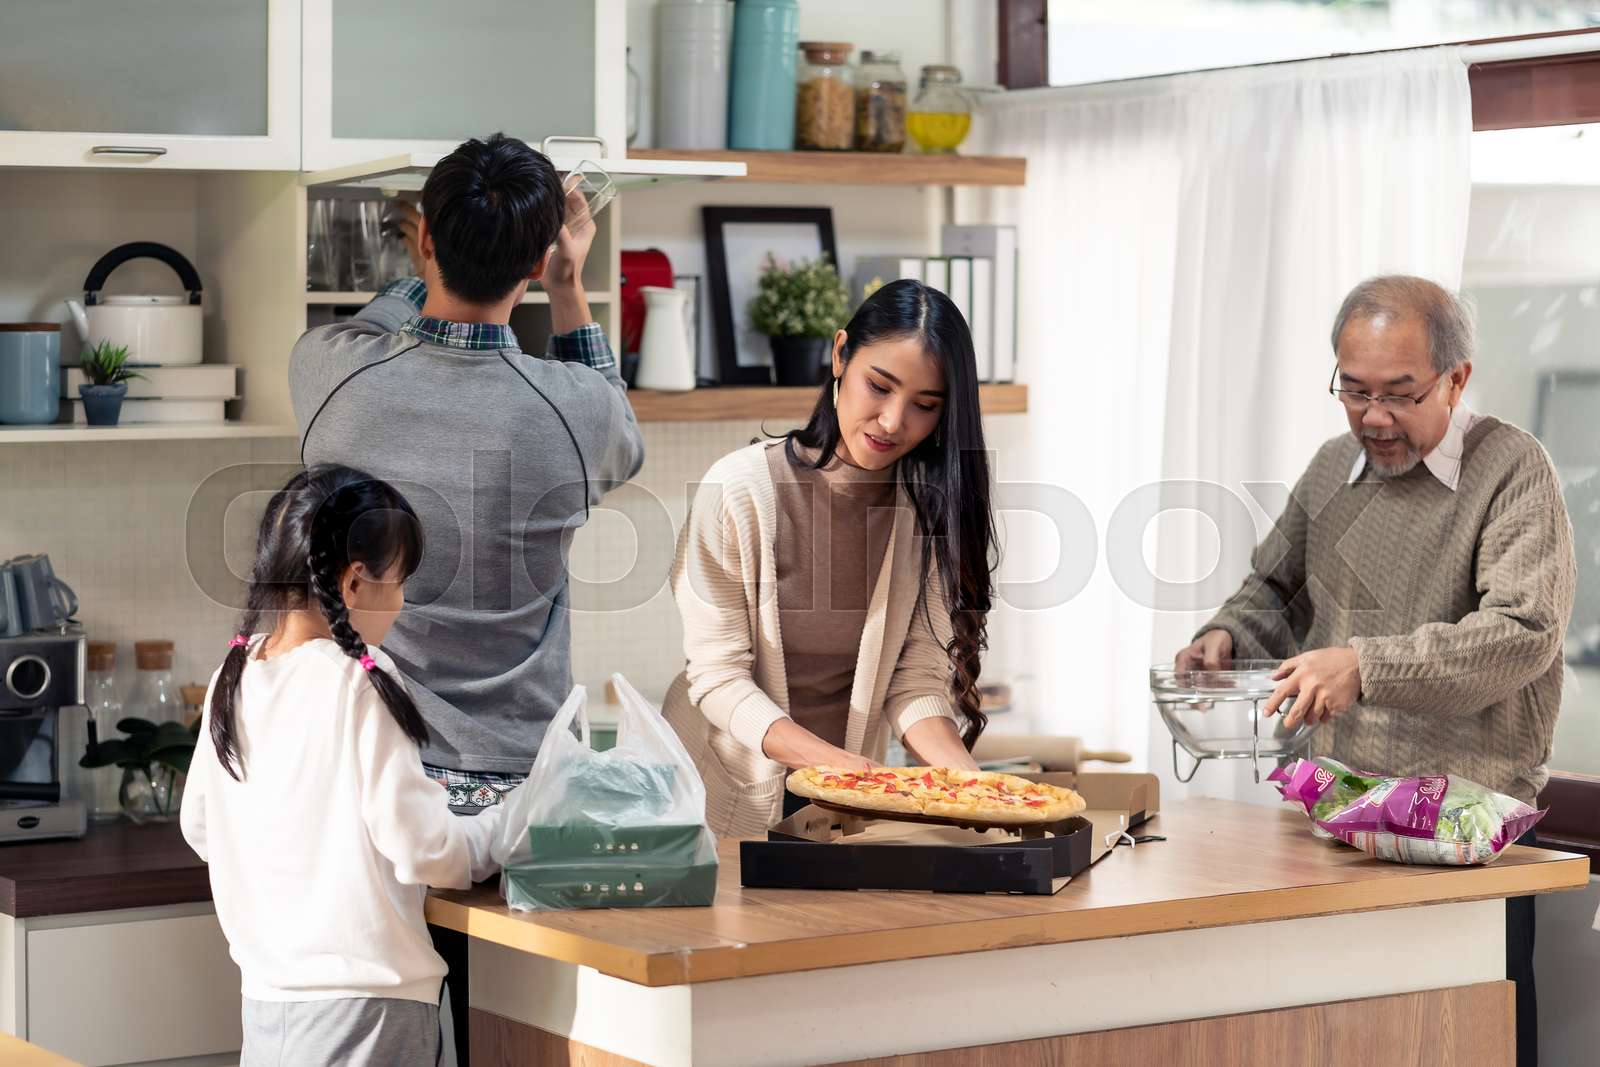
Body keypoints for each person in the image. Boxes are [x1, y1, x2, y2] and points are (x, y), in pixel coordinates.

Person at [289, 134, 643, 1060]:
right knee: (514, 1041)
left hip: (373, 798)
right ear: (536, 257)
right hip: (515, 812)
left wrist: (428, 262)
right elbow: (619, 426)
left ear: (423, 244)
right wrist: (570, 284)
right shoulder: (575, 408)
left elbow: (372, 328)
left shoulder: (336, 379)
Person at [1176, 275, 1576, 1067]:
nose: (1374, 417)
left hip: (1462, 841)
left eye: (1400, 393)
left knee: (1470, 1045)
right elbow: (1274, 587)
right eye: (1353, 391)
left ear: (1456, 379)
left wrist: (1366, 665)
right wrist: (1226, 634)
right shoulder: (1332, 467)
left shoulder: (1514, 469)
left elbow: (1521, 633)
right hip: (1328, 827)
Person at [181, 466, 518, 1066]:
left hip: (266, 1009)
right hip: (369, 1012)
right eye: (400, 581)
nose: (403, 601)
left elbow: (201, 827)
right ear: (356, 582)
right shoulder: (361, 682)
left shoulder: (233, 677)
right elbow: (427, 851)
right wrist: (511, 821)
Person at [663, 279, 997, 837]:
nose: (894, 421)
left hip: (842, 811)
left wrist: (972, 783)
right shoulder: (737, 492)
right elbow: (719, 679)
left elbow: (914, 683)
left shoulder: (927, 515)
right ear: (841, 355)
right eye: (879, 386)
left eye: (924, 405)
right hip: (714, 801)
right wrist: (841, 767)